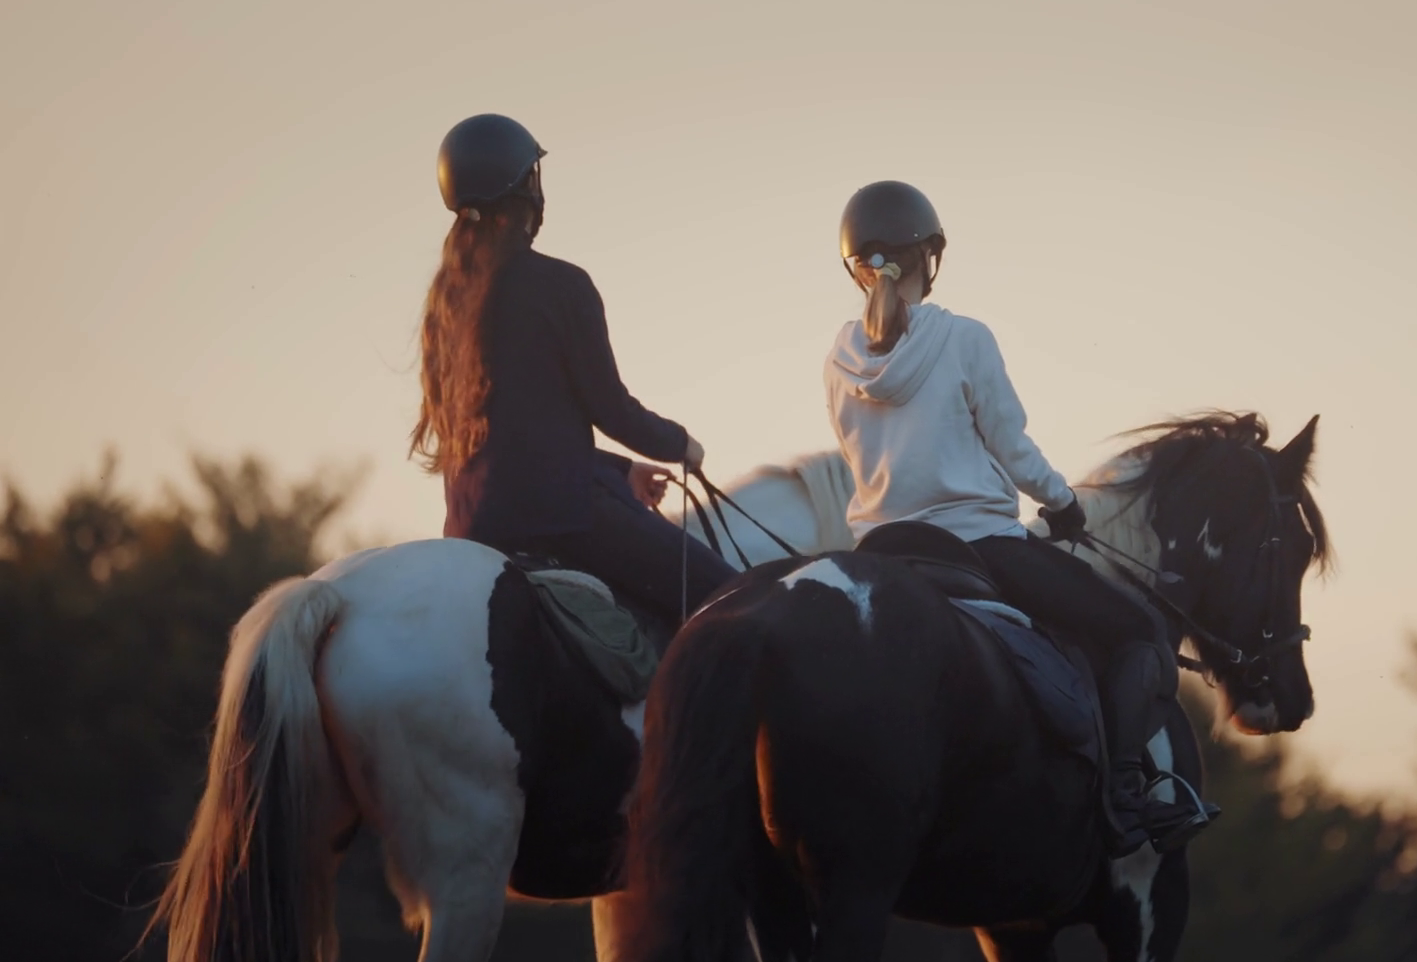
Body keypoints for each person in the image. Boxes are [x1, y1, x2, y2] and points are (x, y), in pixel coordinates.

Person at [822, 179, 1215, 855]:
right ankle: (1123, 795)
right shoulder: (965, 338)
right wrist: (1062, 503)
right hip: (979, 545)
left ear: (857, 266)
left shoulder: (837, 359)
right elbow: (1012, 446)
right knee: (1141, 633)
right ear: (930, 255)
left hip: (879, 552)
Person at [411, 113, 735, 624]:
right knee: (731, 597)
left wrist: (620, 469)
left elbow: (518, 431)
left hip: (470, 526)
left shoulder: (446, 303)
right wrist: (680, 446)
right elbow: (610, 406)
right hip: (561, 518)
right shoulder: (562, 285)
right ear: (526, 192)